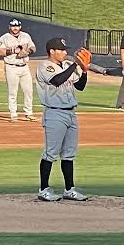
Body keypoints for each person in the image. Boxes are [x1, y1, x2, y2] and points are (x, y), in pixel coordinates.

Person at [35, 38, 91, 201]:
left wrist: (84, 71)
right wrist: (75, 64)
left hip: (71, 113)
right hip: (54, 114)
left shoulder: (67, 65)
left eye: (65, 49)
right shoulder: (45, 66)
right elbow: (57, 80)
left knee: (69, 154)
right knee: (50, 153)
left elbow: (80, 86)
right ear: (52, 51)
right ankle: (44, 189)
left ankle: (69, 189)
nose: (65, 52)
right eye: (61, 50)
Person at [0, 17, 38, 122]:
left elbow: (33, 47)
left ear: (20, 27)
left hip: (24, 66)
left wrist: (27, 52)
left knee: (28, 90)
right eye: (13, 26)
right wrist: (13, 51)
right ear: (9, 27)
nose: (15, 28)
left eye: (17, 26)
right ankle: (13, 114)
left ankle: (29, 113)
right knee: (13, 92)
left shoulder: (26, 36)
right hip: (11, 66)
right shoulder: (4, 38)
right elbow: (0, 51)